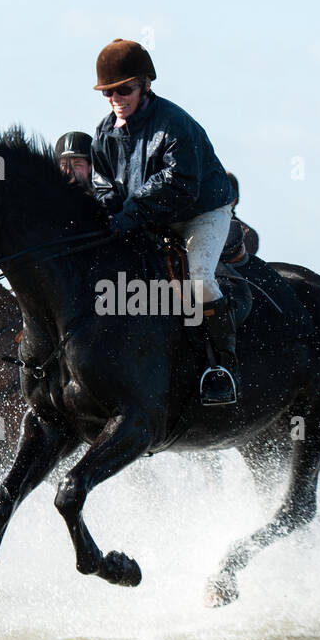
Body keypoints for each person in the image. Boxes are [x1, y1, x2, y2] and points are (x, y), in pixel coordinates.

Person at [89, 38, 240, 405]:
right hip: (149, 216)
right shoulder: (105, 132)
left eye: (123, 90)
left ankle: (223, 369)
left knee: (199, 279)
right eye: (107, 92)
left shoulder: (175, 125)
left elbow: (179, 187)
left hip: (201, 212)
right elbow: (103, 184)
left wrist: (128, 215)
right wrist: (109, 216)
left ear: (145, 85)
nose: (115, 99)